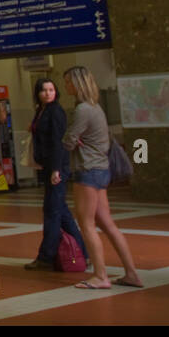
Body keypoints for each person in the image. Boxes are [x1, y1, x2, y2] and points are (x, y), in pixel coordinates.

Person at [62, 66, 142, 290]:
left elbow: (68, 141)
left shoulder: (82, 110)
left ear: (78, 84)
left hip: (87, 170)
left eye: (68, 82)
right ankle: (131, 273)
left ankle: (100, 275)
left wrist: (70, 140)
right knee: (107, 223)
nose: (66, 86)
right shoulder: (97, 109)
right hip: (101, 171)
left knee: (86, 224)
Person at [24, 77, 87, 272]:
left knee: (51, 212)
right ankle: (84, 253)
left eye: (51, 90)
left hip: (56, 167)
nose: (48, 93)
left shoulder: (56, 112)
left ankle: (46, 257)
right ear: (38, 93)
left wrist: (56, 170)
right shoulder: (41, 111)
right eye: (44, 90)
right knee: (62, 213)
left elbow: (58, 143)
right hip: (47, 167)